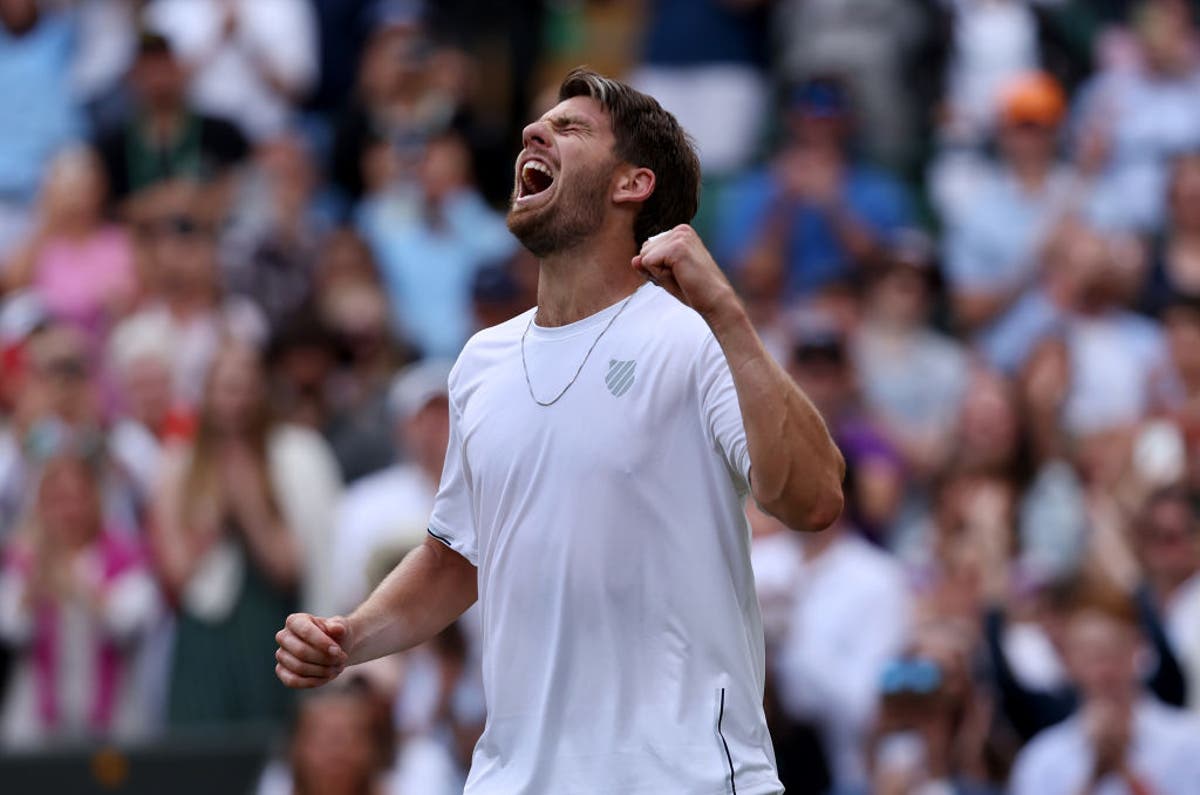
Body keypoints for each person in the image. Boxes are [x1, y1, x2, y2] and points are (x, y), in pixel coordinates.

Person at [275, 68, 845, 793]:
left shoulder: (696, 336)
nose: (532, 132)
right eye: (539, 123)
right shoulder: (479, 361)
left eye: (570, 128)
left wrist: (728, 314)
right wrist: (350, 637)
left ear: (631, 184)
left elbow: (814, 497)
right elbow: (455, 560)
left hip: (685, 777)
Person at [152, 345, 340, 726]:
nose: (235, 402)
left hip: (268, 629)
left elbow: (293, 568)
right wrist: (214, 515)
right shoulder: (178, 465)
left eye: (244, 389)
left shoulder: (291, 457)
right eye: (226, 389)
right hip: (204, 638)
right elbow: (176, 573)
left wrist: (250, 504)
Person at [1010, 586, 1200, 795]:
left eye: (1113, 653)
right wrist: (1094, 776)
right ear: (1068, 662)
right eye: (1090, 657)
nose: (1104, 672)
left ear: (1138, 650)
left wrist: (1123, 769)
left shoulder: (1189, 741)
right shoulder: (1042, 758)